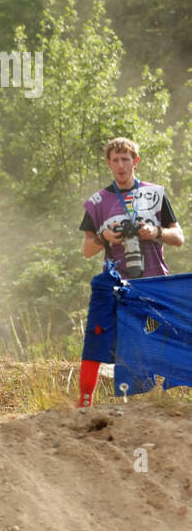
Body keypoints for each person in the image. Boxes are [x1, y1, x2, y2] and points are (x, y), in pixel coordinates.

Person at [76, 136, 183, 407]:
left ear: (135, 162)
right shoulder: (98, 201)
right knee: (100, 335)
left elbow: (179, 237)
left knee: (163, 336)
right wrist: (105, 236)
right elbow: (87, 249)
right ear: (109, 164)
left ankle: (163, 400)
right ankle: (86, 401)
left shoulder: (156, 194)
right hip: (117, 281)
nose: (121, 165)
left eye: (126, 159)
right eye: (115, 160)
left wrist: (155, 232)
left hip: (154, 279)